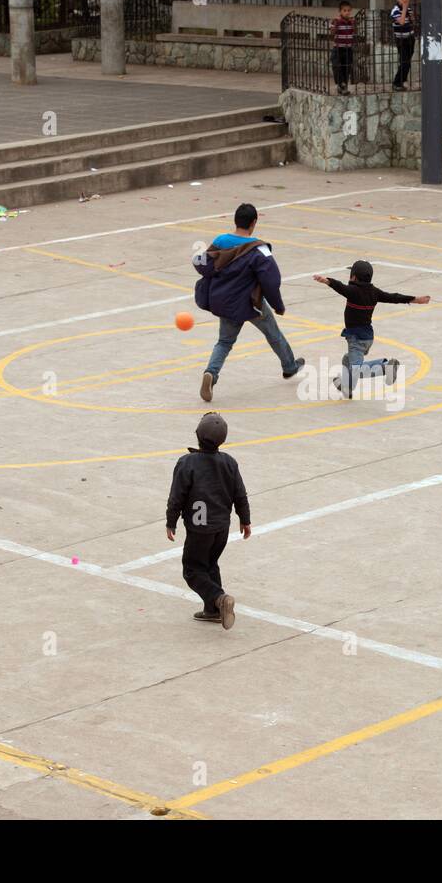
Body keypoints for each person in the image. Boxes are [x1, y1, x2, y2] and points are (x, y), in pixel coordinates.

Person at [192, 203, 305, 403]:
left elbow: (203, 264)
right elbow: (271, 281)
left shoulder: (220, 241)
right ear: (253, 223)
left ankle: (211, 373)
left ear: (235, 221)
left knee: (224, 342)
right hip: (251, 303)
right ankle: (289, 367)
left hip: (224, 302)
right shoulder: (259, 249)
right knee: (273, 334)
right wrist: (278, 305)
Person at [165, 412, 250, 630]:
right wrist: (245, 519)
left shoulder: (187, 463)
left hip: (198, 530)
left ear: (197, 434)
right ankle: (213, 610)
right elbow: (240, 494)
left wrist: (171, 522)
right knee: (210, 564)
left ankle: (219, 599)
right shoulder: (229, 463)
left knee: (192, 570)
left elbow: (177, 496)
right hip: (221, 528)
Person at [312, 260, 430, 397]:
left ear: (354, 277)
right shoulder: (374, 292)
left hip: (357, 339)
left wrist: (327, 281)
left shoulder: (353, 291)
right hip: (368, 338)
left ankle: (385, 367)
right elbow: (393, 297)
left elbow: (341, 287)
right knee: (347, 360)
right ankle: (347, 386)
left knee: (357, 369)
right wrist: (414, 299)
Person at [390, 0, 416, 91]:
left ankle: (402, 81)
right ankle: (396, 83)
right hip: (401, 39)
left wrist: (411, 15)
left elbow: (412, 21)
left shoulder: (408, 9)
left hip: (410, 38)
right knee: (404, 61)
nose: (405, 0)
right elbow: (401, 22)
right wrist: (405, 9)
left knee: (407, 62)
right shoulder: (395, 10)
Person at [331, 0, 356, 96]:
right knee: (337, 66)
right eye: (345, 10)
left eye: (349, 10)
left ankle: (343, 86)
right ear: (340, 11)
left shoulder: (351, 21)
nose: (347, 12)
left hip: (348, 48)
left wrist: (353, 23)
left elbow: (354, 31)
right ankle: (341, 84)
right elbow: (332, 32)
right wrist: (336, 24)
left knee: (347, 67)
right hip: (338, 48)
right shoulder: (336, 20)